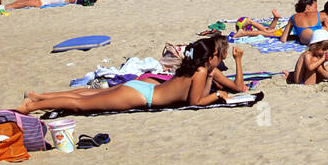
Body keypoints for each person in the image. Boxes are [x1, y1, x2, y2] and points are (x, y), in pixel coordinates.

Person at [17, 37, 245, 114]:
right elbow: (195, 102)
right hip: (140, 96)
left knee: (88, 95)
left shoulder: (198, 69)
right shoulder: (202, 70)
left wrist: (213, 82)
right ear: (212, 55)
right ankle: (31, 107)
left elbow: (197, 94)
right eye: (221, 56)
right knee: (82, 104)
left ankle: (40, 96)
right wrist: (218, 96)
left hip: (142, 88)